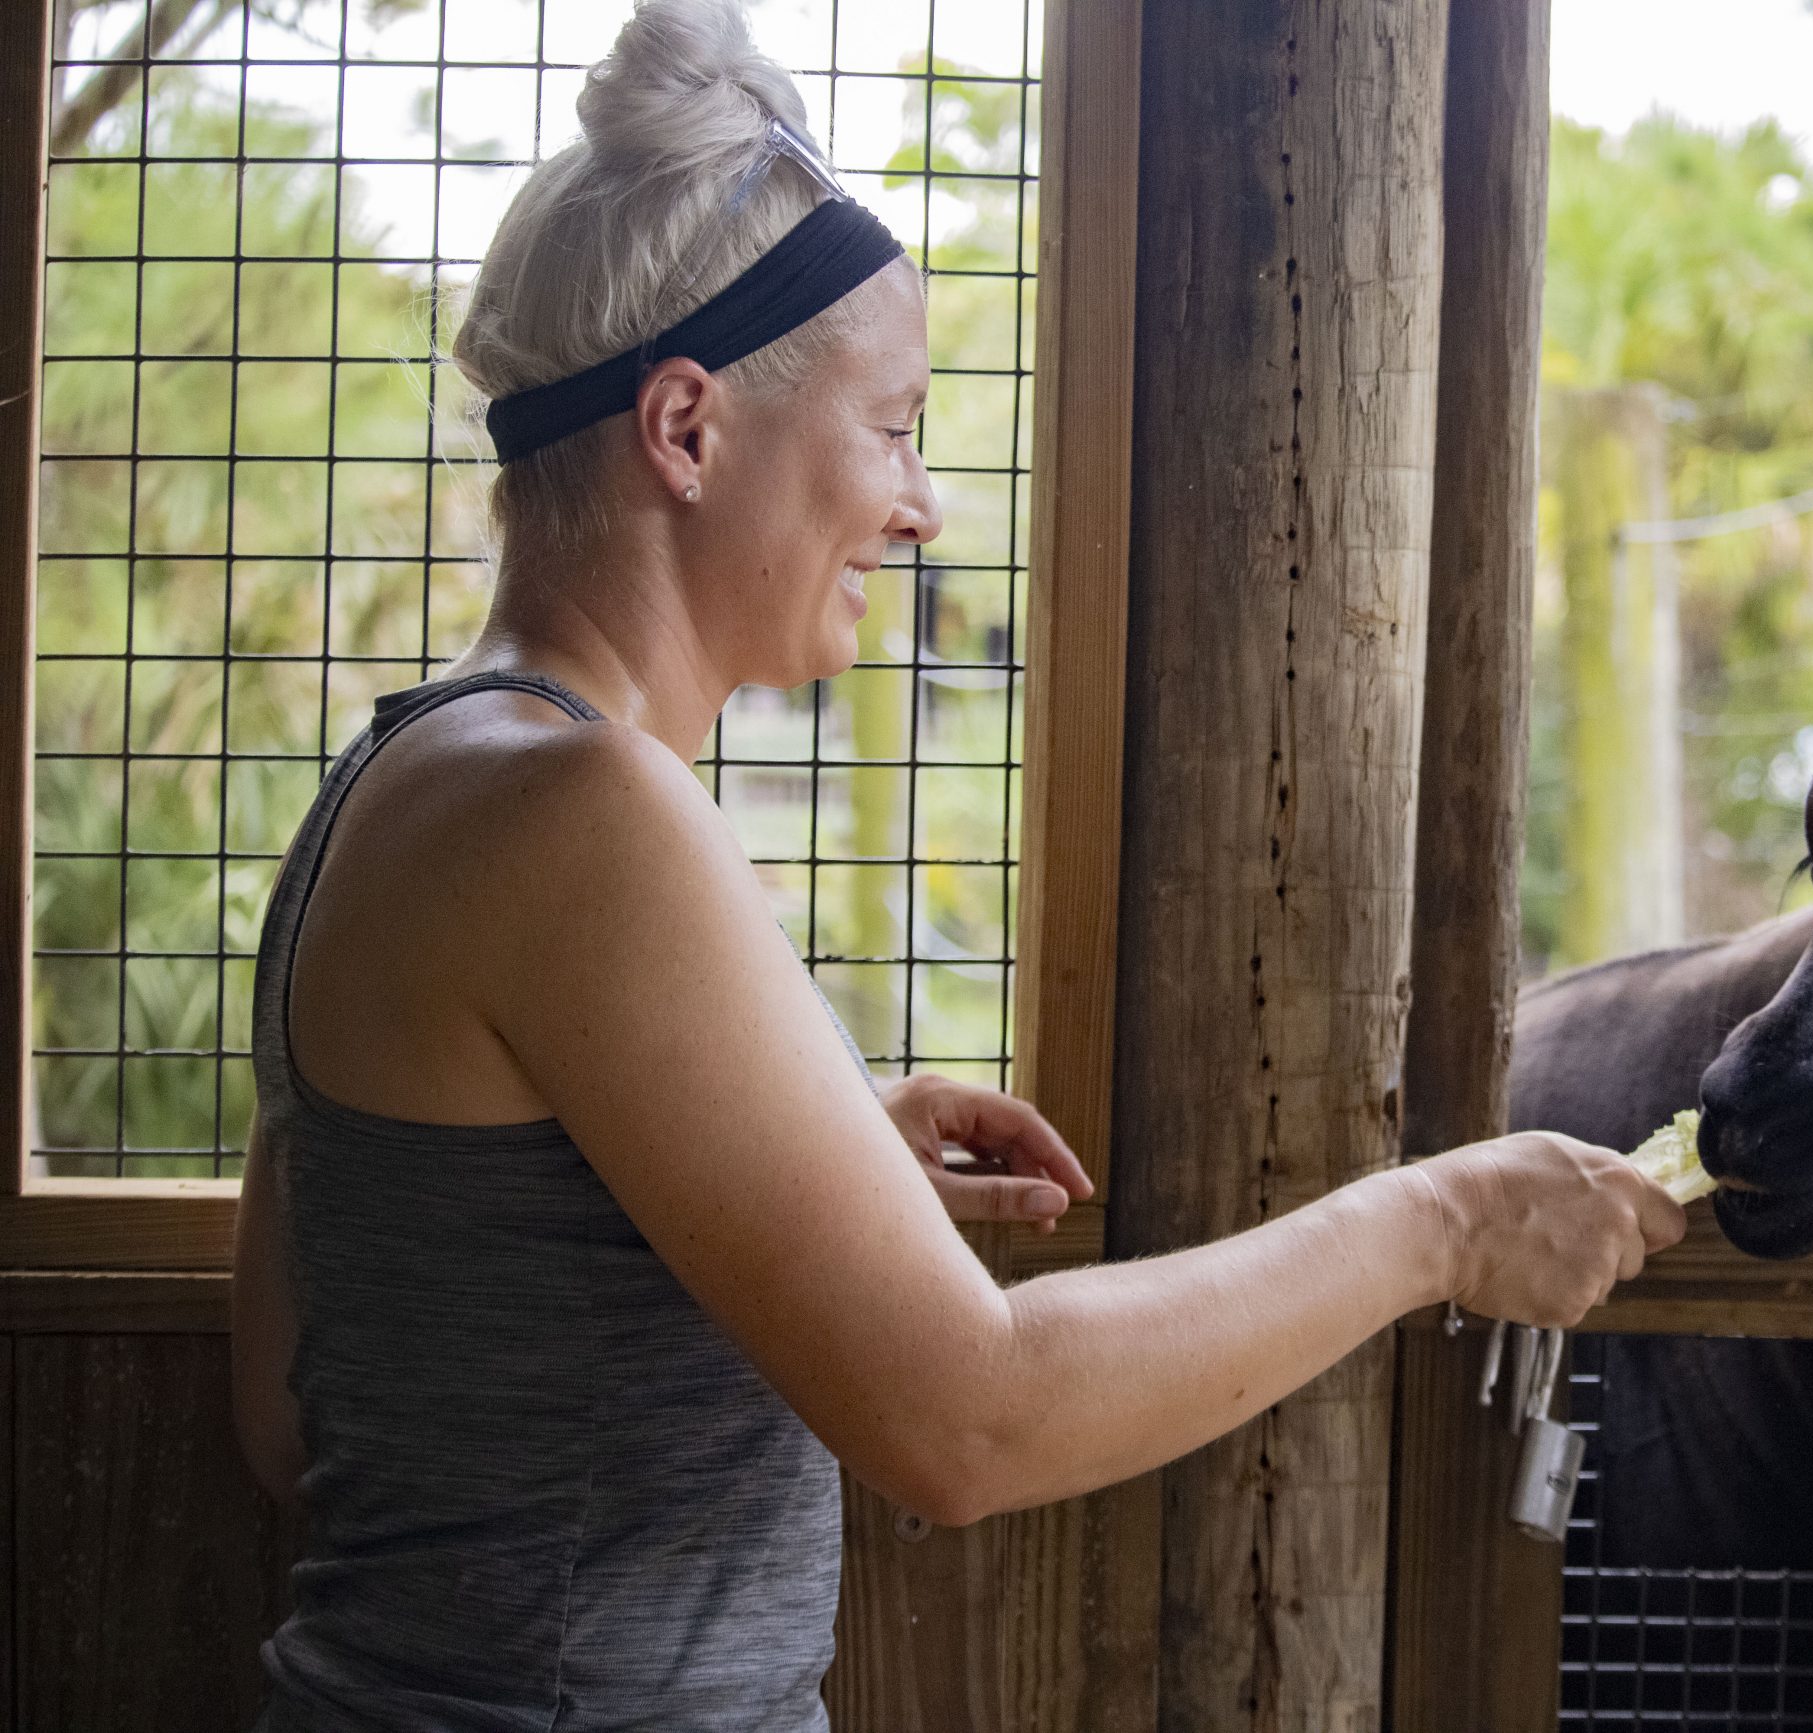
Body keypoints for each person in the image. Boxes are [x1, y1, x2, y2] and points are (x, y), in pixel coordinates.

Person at [227, 1, 1686, 1726]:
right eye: (894, 425)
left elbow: (298, 1411)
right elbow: (971, 1419)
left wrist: (801, 1165)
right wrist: (1439, 1217)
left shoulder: (394, 780)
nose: (921, 504)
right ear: (686, 429)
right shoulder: (587, 806)